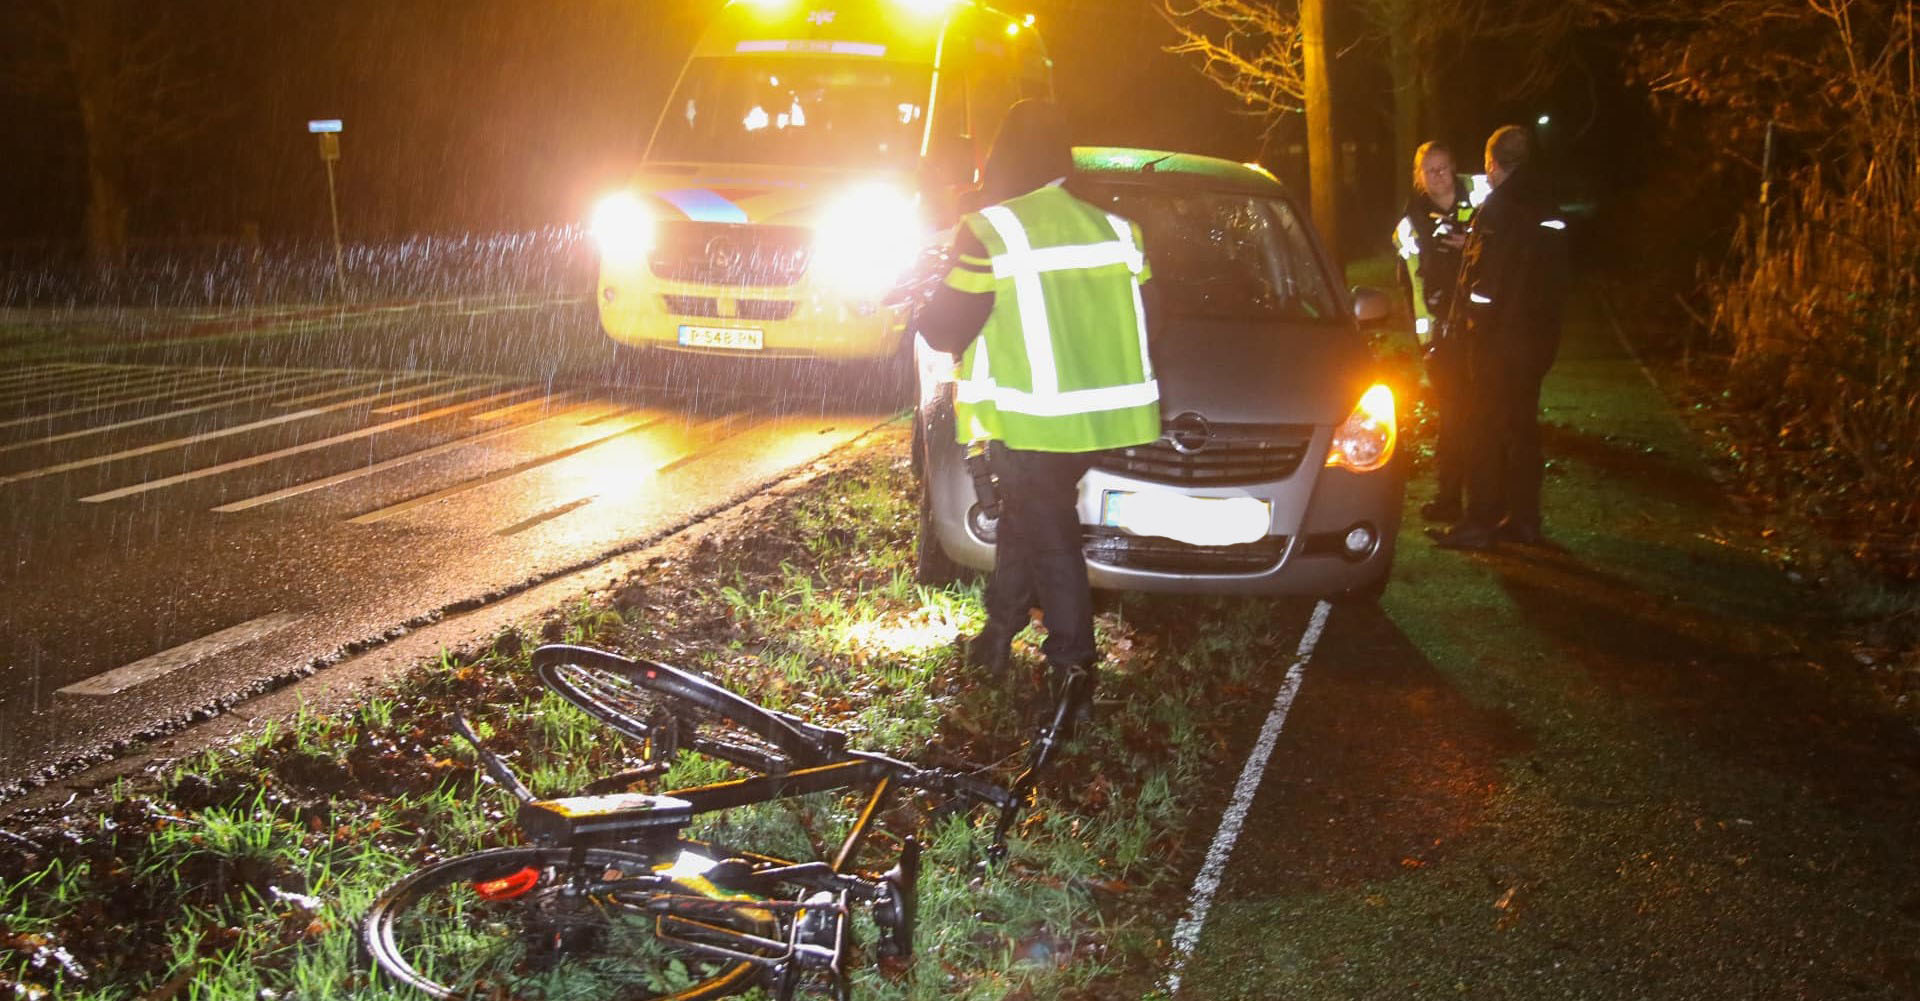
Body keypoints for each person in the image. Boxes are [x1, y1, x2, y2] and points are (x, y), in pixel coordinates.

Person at [915, 99, 1160, 721]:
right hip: (1100, 419)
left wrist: (932, 290)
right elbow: (1148, 318)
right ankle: (995, 639)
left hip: (1033, 419)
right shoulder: (1116, 228)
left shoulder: (992, 229)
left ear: (1004, 154)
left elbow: (944, 330)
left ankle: (1073, 669)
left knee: (1049, 535)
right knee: (1027, 518)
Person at [1430, 124, 1569, 550]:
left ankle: (1480, 520)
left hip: (1499, 343)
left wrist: (1471, 326)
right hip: (1538, 339)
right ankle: (1525, 519)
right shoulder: (1547, 204)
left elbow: (1487, 286)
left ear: (1494, 163)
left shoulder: (1499, 209)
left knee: (1484, 428)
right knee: (1523, 427)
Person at [1392, 141, 1475, 521]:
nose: (1439, 177)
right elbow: (1411, 286)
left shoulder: (1482, 197)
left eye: (1444, 168)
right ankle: (1448, 497)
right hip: (1443, 334)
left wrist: (1471, 243)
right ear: (1419, 177)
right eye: (1430, 171)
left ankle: (1487, 500)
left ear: (1455, 168)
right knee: (1452, 418)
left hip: (1486, 327)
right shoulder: (1411, 224)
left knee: (1487, 415)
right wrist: (1426, 339)